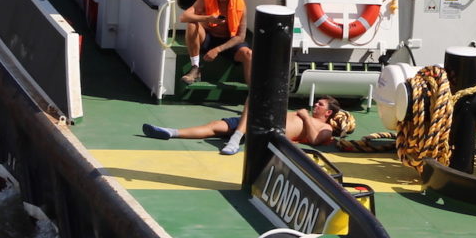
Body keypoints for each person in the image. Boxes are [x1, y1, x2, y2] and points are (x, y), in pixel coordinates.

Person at [142, 96, 355, 152]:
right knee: (215, 126)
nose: (315, 105)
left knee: (248, 108)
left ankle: (236, 138)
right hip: (257, 120)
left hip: (266, 130)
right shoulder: (304, 114)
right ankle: (171, 132)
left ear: (328, 112)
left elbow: (315, 141)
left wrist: (306, 117)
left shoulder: (325, 128)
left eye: (320, 104)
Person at [179, 0, 251, 87]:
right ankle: (195, 68)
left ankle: (251, 97)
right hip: (208, 38)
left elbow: (241, 37)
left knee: (249, 54)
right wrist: (208, 18)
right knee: (192, 25)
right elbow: (183, 17)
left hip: (229, 42)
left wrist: (217, 50)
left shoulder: (240, 3)